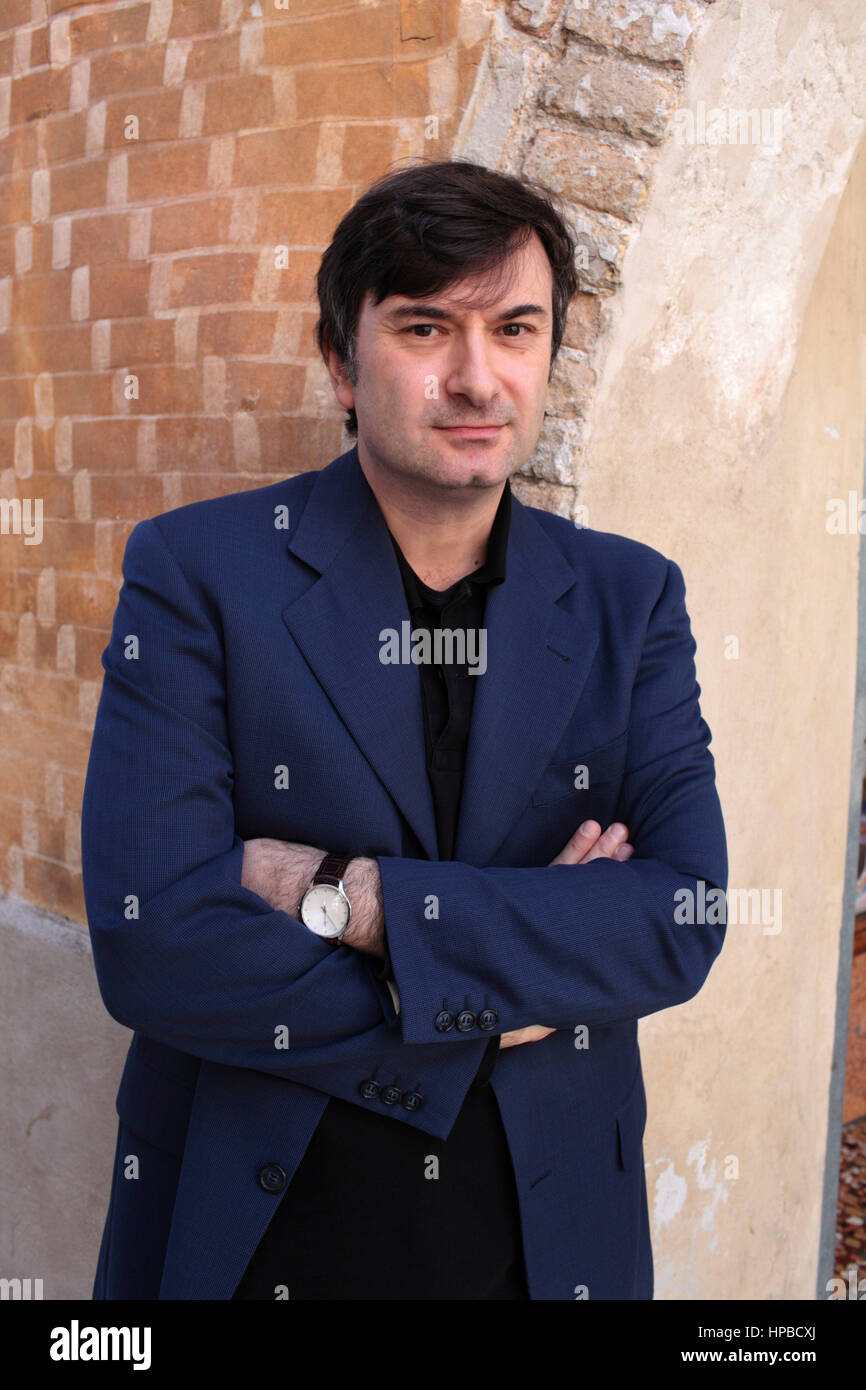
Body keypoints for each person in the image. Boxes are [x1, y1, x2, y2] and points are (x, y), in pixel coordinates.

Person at [81, 158, 728, 1301]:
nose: (476, 379)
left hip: (544, 1231)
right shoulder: (196, 573)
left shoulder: (633, 601)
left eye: (514, 329)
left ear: (546, 356)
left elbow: (677, 917)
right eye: (426, 328)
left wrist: (356, 900)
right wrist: (510, 981)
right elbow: (156, 943)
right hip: (267, 1226)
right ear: (341, 359)